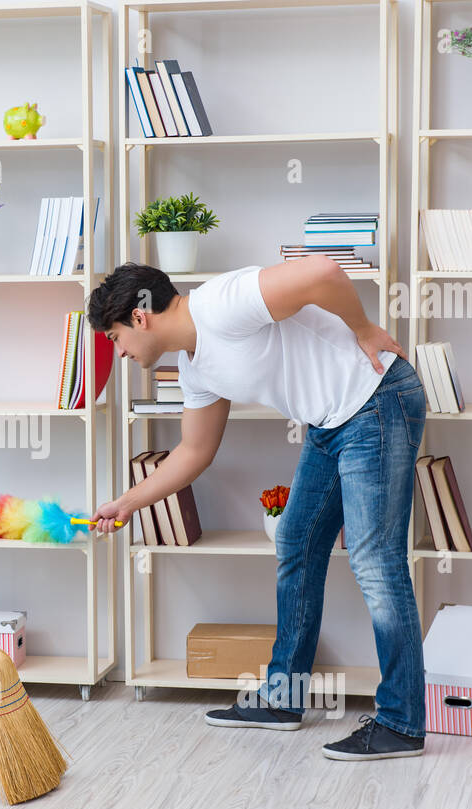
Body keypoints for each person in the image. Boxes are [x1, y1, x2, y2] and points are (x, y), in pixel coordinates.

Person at [87, 256, 429, 760]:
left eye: (114, 338)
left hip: (377, 400)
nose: (118, 353)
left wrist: (365, 329)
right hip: (332, 424)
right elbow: (194, 453)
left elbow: (324, 273)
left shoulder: (220, 305)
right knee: (297, 539)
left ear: (139, 317)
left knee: (375, 560)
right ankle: (282, 698)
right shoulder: (193, 365)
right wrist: (125, 504)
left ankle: (401, 723)